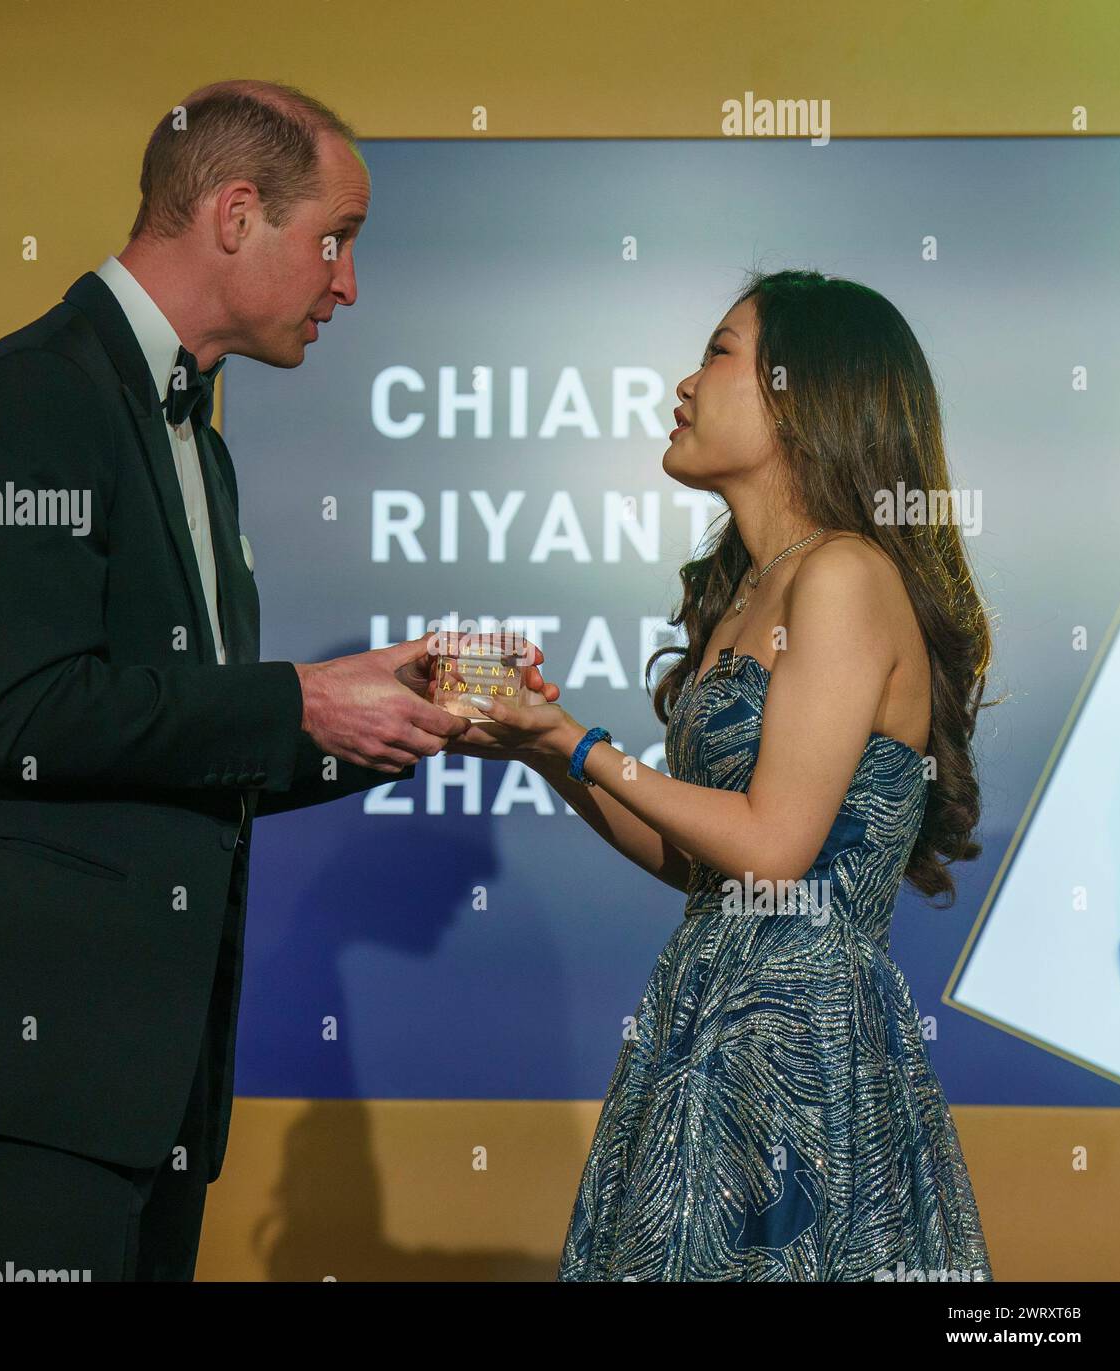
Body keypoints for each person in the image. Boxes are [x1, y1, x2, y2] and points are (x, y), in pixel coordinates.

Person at [0, 77, 554, 1282]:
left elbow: (185, 739)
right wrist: (297, 696)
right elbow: (25, 714)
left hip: (150, 1087)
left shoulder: (203, 448)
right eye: (334, 241)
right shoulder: (33, 394)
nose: (347, 284)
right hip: (41, 1071)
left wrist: (388, 707)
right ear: (236, 213)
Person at [445, 268, 995, 1281]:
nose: (683, 384)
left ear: (798, 393)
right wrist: (544, 754)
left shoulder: (843, 575)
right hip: (703, 1021)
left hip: (799, 1043)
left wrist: (578, 742)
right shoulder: (748, 589)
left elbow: (775, 848)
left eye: (716, 352)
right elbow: (704, 861)